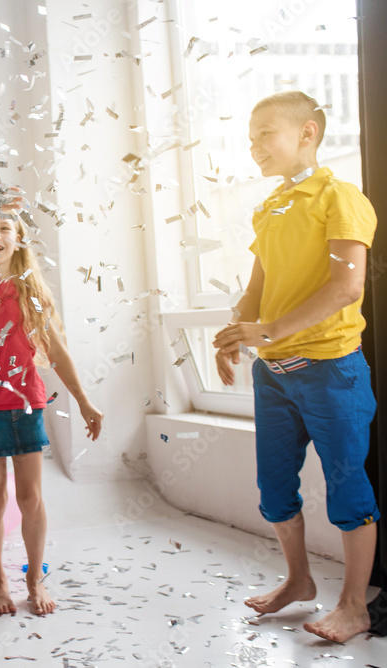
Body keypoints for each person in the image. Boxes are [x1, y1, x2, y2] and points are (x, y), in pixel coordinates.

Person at [214, 90, 378, 643]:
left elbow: (346, 286)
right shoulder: (269, 208)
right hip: (273, 376)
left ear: (308, 132)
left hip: (332, 371)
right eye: (250, 138)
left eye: (265, 133)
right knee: (274, 489)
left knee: (348, 492)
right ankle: (298, 579)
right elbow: (257, 289)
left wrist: (267, 331)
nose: (254, 146)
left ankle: (353, 606)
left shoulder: (340, 197)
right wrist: (235, 332)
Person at [0, 210, 103, 616]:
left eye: (4, 228)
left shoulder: (31, 291)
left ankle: (35, 579)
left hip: (27, 406)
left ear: (18, 240)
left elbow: (56, 352)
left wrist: (83, 400)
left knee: (31, 497)